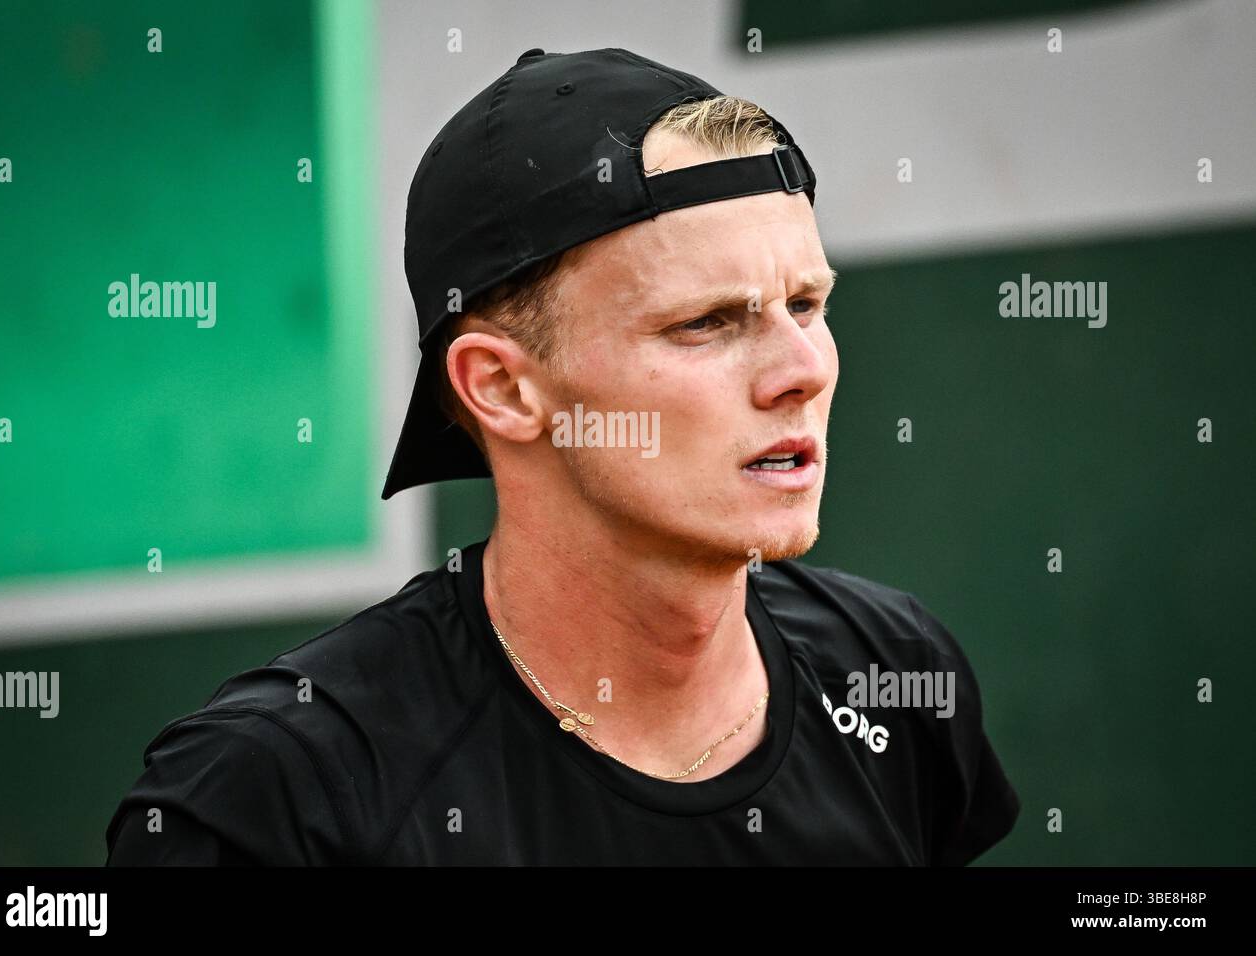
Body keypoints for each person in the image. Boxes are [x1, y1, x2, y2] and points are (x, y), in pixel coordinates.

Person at [106, 46, 1020, 865]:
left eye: (808, 305)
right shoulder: (276, 799)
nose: (800, 372)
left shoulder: (892, 671)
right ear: (502, 389)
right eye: (705, 322)